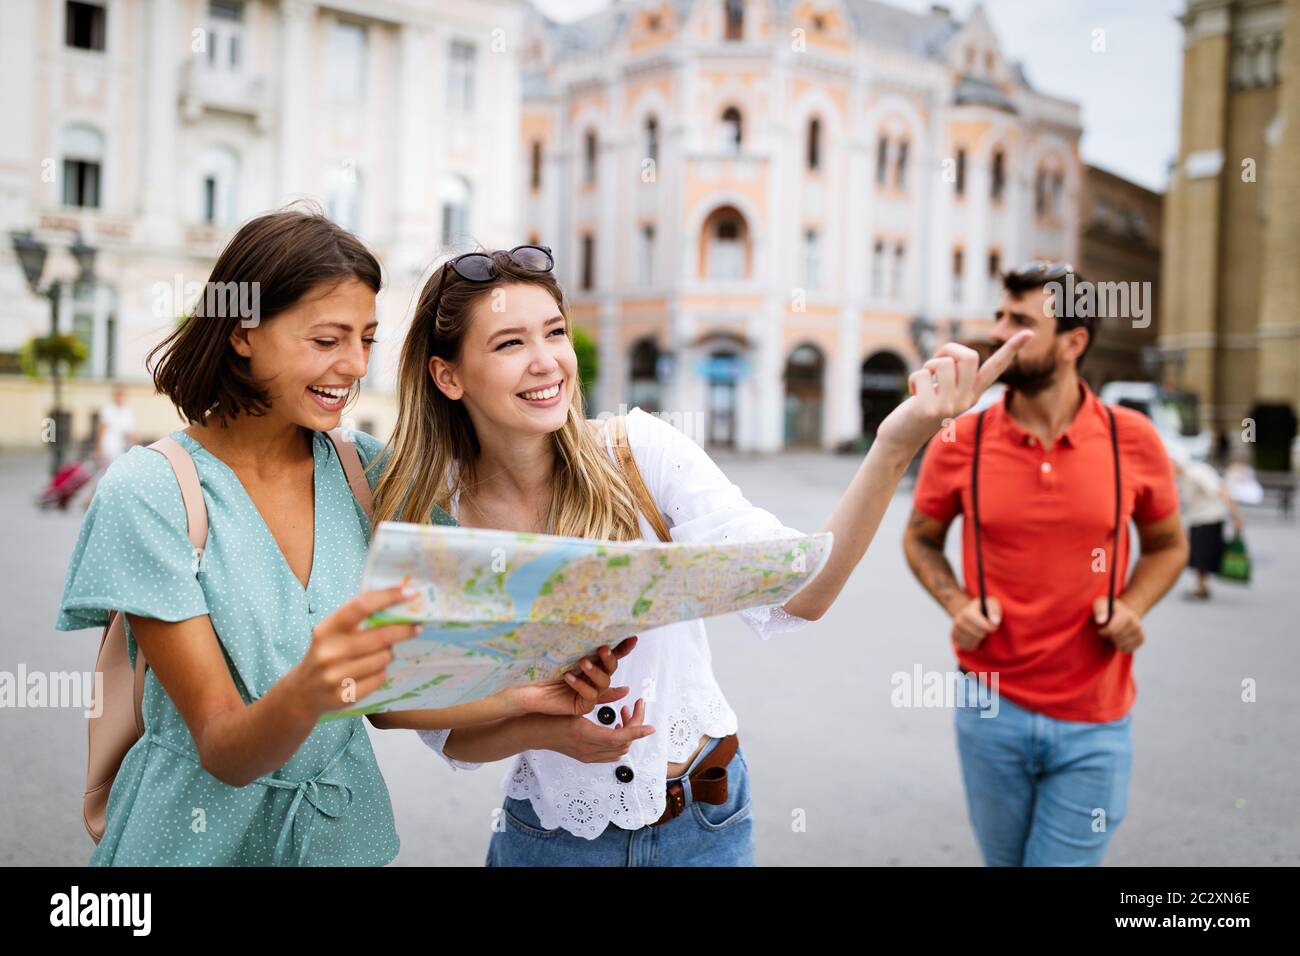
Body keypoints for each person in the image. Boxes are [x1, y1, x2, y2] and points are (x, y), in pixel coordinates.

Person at [370, 243, 1029, 866]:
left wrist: (894, 443)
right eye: (511, 343)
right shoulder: (438, 516)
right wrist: (544, 724)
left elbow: (805, 590)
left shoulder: (638, 452)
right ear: (447, 375)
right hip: (550, 835)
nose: (547, 361)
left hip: (704, 824)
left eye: (555, 332)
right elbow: (438, 724)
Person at [56, 210, 631, 866]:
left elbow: (387, 701)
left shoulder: (366, 473)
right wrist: (311, 688)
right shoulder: (149, 492)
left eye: (366, 339)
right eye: (327, 339)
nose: (354, 366)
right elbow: (223, 748)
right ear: (244, 334)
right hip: (186, 842)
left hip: (338, 840)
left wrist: (528, 700)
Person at [903, 261, 1189, 867]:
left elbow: (1168, 543)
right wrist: (957, 604)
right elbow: (921, 537)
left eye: (1021, 322)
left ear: (1073, 342)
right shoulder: (962, 439)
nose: (999, 332)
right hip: (990, 709)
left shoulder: (1131, 438)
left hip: (1095, 720)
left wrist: (1134, 606)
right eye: (1000, 315)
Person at [1171, 446, 1244, 599]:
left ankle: (1202, 587)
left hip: (1210, 518)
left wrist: (1235, 515)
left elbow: (1221, 490)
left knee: (1203, 554)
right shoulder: (1183, 477)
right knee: (1197, 554)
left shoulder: (1197, 473)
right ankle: (1201, 586)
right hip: (1197, 519)